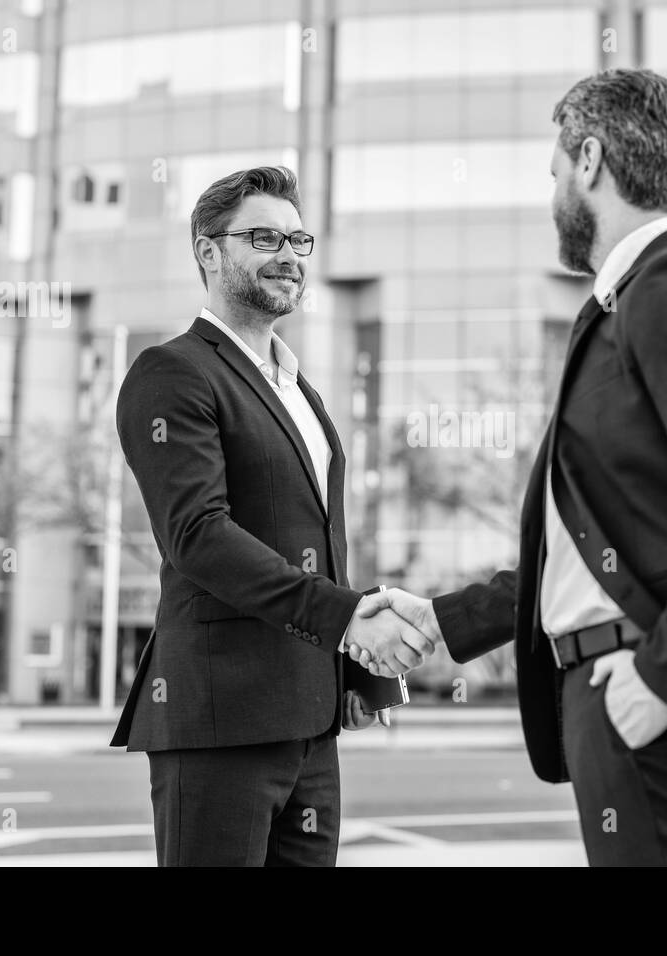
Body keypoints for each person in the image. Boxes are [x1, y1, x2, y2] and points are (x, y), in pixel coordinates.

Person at [352, 70, 667, 866]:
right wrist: (442, 620)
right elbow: (585, 551)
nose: (551, 201)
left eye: (553, 173)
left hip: (650, 698)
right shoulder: (626, 305)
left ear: (591, 161)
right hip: (610, 694)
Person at [111, 166, 434, 866]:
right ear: (208, 252)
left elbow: (311, 541)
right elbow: (199, 535)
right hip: (220, 719)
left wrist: (347, 670)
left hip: (310, 724)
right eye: (263, 237)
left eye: (297, 239)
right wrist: (346, 616)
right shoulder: (172, 373)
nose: (288, 255)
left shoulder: (302, 392)